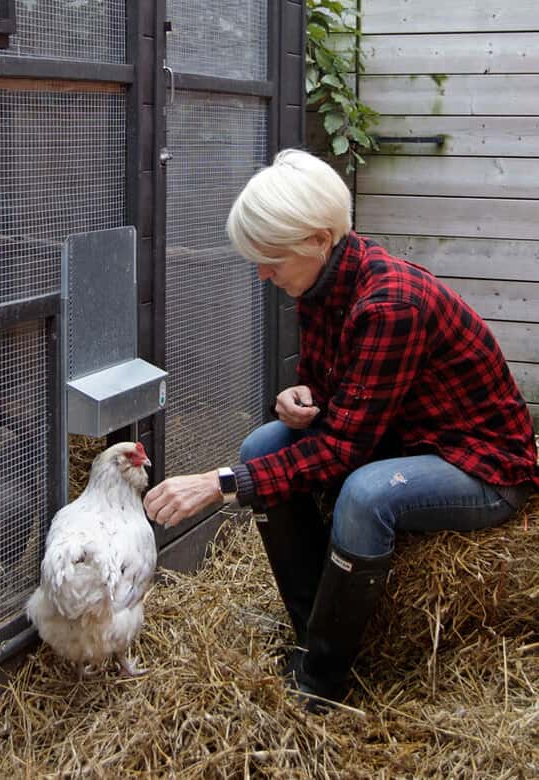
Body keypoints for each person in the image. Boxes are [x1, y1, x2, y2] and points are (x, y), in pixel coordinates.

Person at [144, 148, 538, 710]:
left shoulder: (389, 303)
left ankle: (324, 680)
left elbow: (343, 451)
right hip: (401, 437)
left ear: (318, 240)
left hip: (479, 465)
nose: (262, 273)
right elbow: (331, 396)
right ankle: (313, 633)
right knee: (262, 443)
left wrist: (220, 483)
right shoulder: (319, 285)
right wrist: (298, 400)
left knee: (365, 496)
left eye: (271, 258)